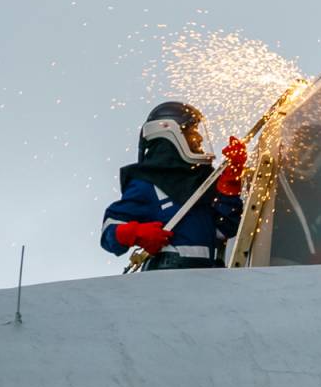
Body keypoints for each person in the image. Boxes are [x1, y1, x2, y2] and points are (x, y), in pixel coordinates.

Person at [101, 99, 247, 269]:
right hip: (165, 277)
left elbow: (225, 230)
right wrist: (136, 233)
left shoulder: (202, 184)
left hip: (207, 277)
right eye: (192, 131)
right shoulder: (147, 185)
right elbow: (108, 233)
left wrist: (229, 185)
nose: (199, 138)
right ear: (171, 135)